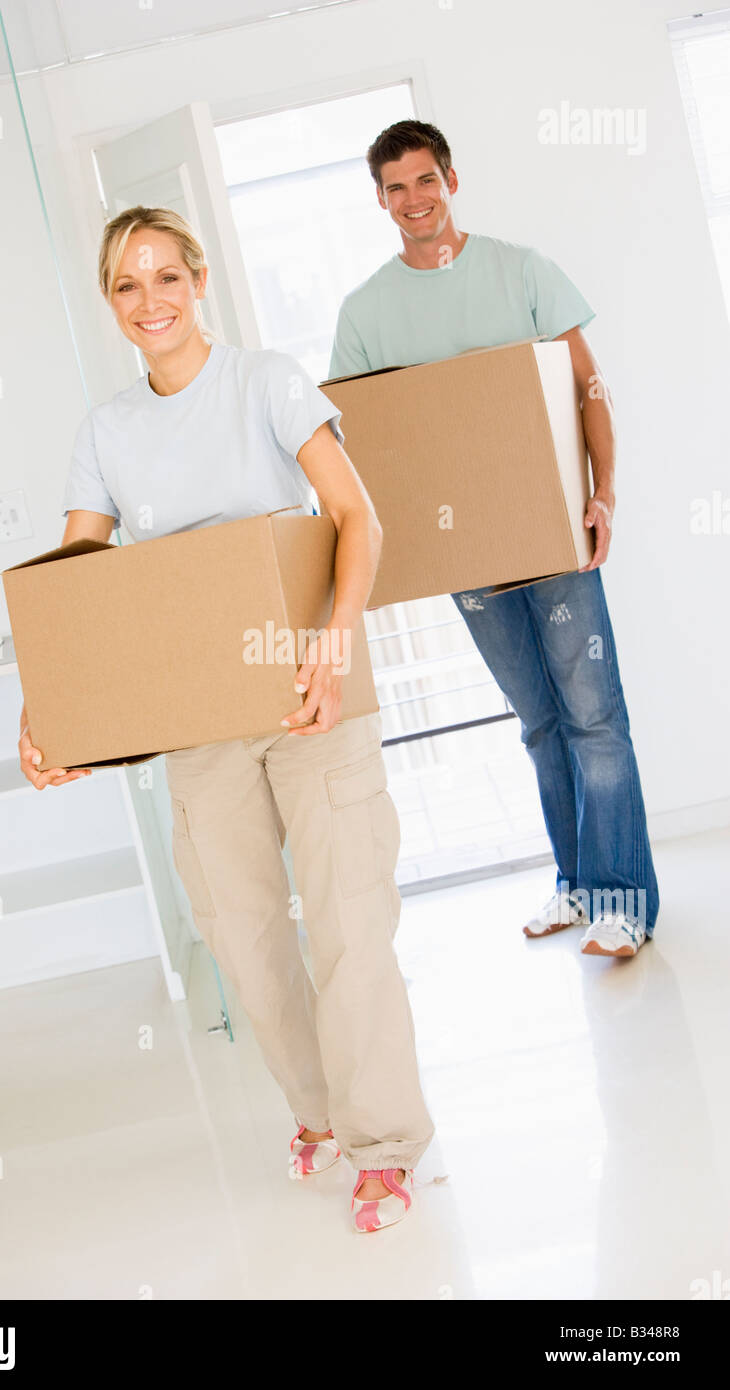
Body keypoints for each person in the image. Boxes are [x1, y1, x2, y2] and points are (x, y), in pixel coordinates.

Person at [17, 205, 436, 1232]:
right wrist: (47, 711)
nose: (149, 301)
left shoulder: (267, 382)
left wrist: (334, 645)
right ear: (110, 304)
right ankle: (318, 1112)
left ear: (198, 280)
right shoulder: (107, 433)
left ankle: (382, 1143)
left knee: (346, 928)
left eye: (166, 276)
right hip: (198, 721)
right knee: (245, 939)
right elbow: (74, 586)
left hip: (309, 692)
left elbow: (356, 518)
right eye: (126, 284)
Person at [330, 119, 659, 958]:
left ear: (451, 180)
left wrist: (605, 494)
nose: (414, 201)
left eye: (425, 181)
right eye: (396, 188)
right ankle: (578, 889)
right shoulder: (365, 313)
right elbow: (364, 440)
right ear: (378, 199)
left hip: (553, 536)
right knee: (540, 725)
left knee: (593, 719)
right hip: (466, 558)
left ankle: (625, 904)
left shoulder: (520, 270)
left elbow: (590, 387)